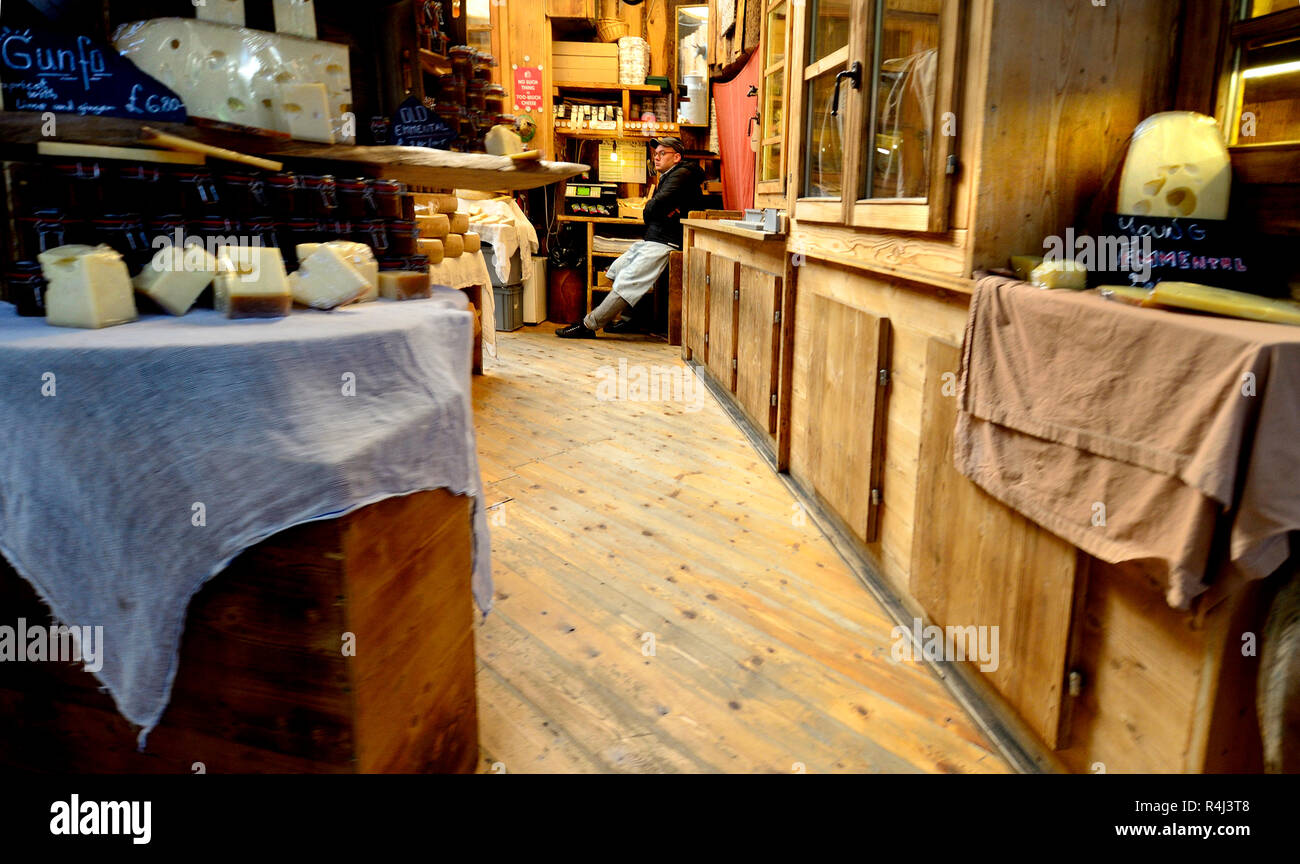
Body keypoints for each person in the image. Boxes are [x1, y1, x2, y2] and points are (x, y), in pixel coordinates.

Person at [556, 137, 703, 338]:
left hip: (667, 241)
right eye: (655, 154)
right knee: (617, 269)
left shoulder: (683, 174)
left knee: (628, 281)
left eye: (662, 153)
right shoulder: (671, 175)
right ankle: (633, 321)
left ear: (676, 157)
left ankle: (588, 325)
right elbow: (657, 208)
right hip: (656, 238)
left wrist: (651, 211)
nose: (657, 158)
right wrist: (655, 212)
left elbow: (653, 207)